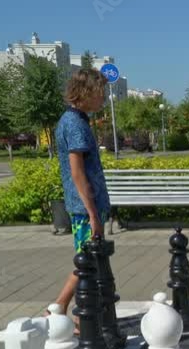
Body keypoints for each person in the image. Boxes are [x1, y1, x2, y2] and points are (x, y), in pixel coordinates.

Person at [51, 68, 111, 316]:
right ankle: (61, 307)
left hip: (86, 205)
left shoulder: (72, 119)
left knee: (91, 260)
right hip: (86, 207)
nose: (103, 99)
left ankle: (80, 311)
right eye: (100, 93)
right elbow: (77, 173)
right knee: (86, 260)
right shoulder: (75, 124)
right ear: (86, 92)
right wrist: (93, 214)